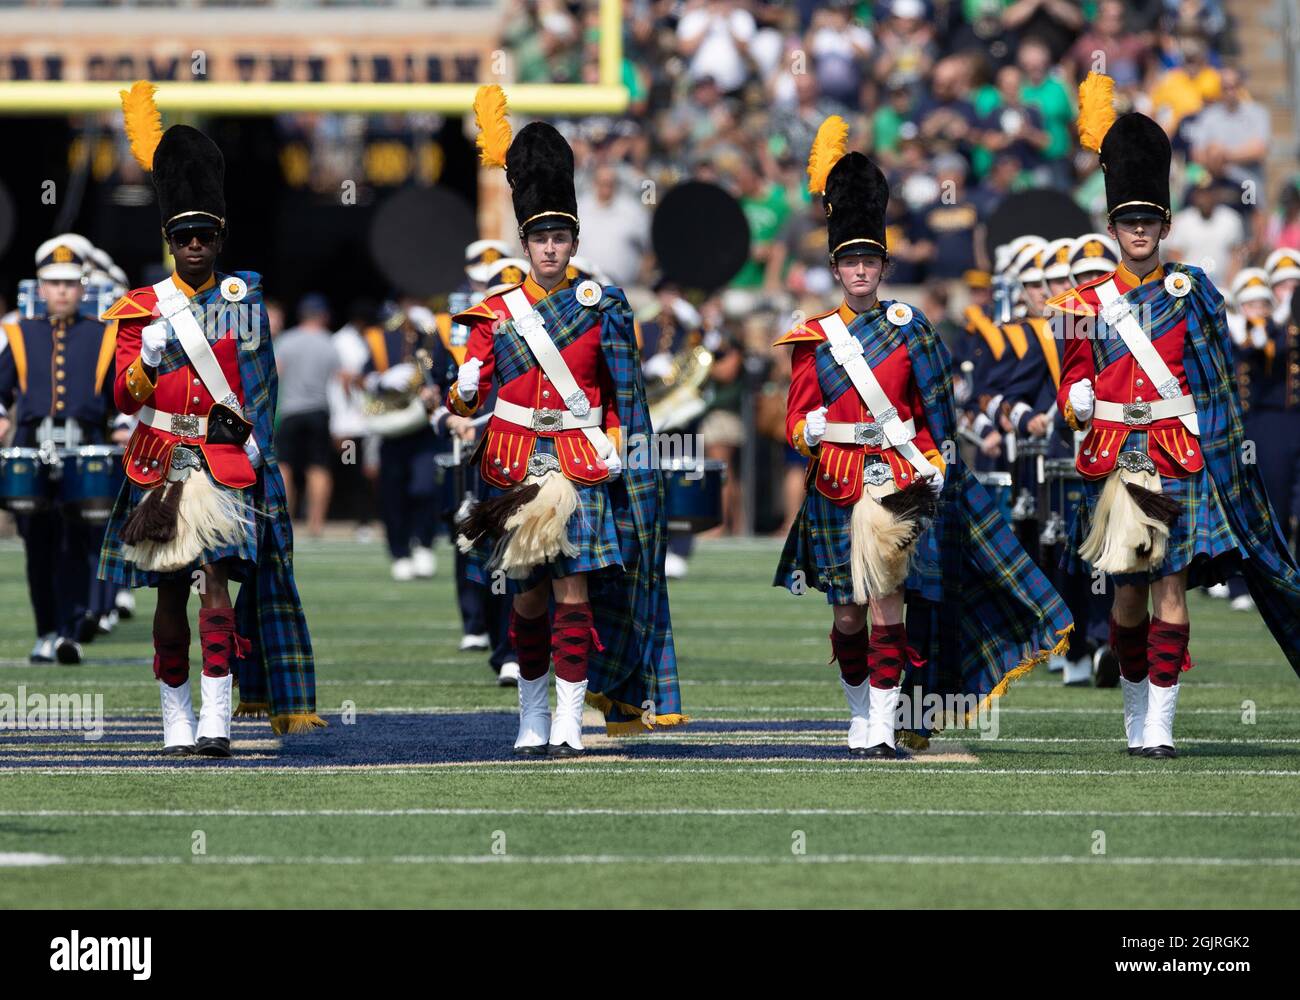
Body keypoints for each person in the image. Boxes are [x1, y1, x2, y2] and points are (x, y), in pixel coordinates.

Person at [773, 115, 1072, 757]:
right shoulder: (811, 338)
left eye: (869, 259)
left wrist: (935, 462)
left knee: (888, 608)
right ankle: (859, 712)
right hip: (835, 482)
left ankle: (882, 728)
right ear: (835, 266)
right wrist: (811, 429)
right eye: (849, 259)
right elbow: (793, 422)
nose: (860, 269)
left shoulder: (913, 329)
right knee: (847, 615)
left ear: (883, 263)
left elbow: (937, 416)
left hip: (897, 481)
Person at [1050, 72, 1300, 758]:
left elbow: (1217, 383)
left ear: (1164, 223)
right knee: (1126, 602)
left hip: (1179, 453)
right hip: (1117, 459)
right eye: (1127, 220)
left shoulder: (1195, 291)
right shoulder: (1082, 305)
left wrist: (1225, 460)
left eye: (1148, 219)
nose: (1138, 229)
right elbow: (1071, 387)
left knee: (1170, 593)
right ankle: (1135, 712)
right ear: (1112, 226)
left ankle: (1158, 729)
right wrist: (1076, 402)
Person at [448, 85, 684, 755]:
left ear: (574, 238)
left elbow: (625, 396)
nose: (550, 248)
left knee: (574, 594)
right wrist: (465, 390)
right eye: (540, 237)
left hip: (582, 462)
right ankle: (529, 716)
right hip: (517, 462)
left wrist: (618, 447)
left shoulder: (604, 303)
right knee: (525, 597)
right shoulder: (491, 312)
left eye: (560, 236)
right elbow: (463, 403)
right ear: (523, 242)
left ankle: (569, 719)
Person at [98, 81, 322, 755]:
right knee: (168, 596)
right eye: (183, 235)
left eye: (205, 235)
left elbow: (261, 385)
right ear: (169, 239)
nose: (195, 245)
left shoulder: (243, 295)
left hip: (223, 462)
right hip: (161, 460)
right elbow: (122, 397)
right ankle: (175, 719)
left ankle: (218, 720)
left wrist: (258, 448)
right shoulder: (140, 308)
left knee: (216, 587)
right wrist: (149, 362)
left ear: (219, 237)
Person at [0, 234, 127, 663]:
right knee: (38, 544)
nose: (61, 291)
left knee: (82, 540)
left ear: (82, 288)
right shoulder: (17, 333)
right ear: (40, 288)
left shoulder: (104, 334)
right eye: (53, 283)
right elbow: (1, 393)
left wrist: (124, 426)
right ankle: (46, 631)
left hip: (86, 447)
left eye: (70, 283)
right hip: (32, 447)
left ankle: (71, 630)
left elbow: (120, 399)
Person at [273, 293, 340, 538]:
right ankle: (316, 523)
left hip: (290, 411)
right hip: (319, 410)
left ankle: (284, 521)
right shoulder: (329, 341)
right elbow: (341, 379)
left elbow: (275, 374)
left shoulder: (287, 341)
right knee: (318, 467)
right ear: (323, 316)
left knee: (284, 466)